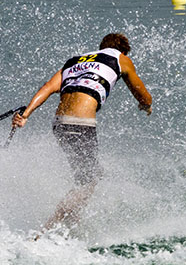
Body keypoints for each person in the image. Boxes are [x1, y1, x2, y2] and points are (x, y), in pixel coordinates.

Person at [13, 33, 152, 231]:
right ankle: (46, 231)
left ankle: (71, 226)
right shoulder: (120, 58)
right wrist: (146, 105)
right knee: (89, 181)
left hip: (60, 125)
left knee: (85, 177)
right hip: (80, 124)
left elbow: (48, 87)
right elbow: (144, 96)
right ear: (124, 51)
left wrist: (26, 114)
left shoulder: (74, 61)